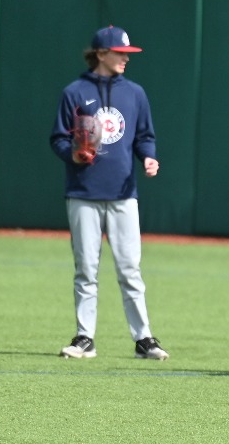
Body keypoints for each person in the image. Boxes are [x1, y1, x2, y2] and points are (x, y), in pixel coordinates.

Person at [49, 25, 166, 361]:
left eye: (128, 54)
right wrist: (71, 153)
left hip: (123, 193)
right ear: (101, 54)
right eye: (120, 53)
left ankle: (144, 339)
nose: (126, 59)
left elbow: (145, 135)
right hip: (83, 191)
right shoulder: (74, 92)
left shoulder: (135, 94)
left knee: (130, 268)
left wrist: (149, 157)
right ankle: (85, 338)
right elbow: (58, 137)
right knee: (86, 268)